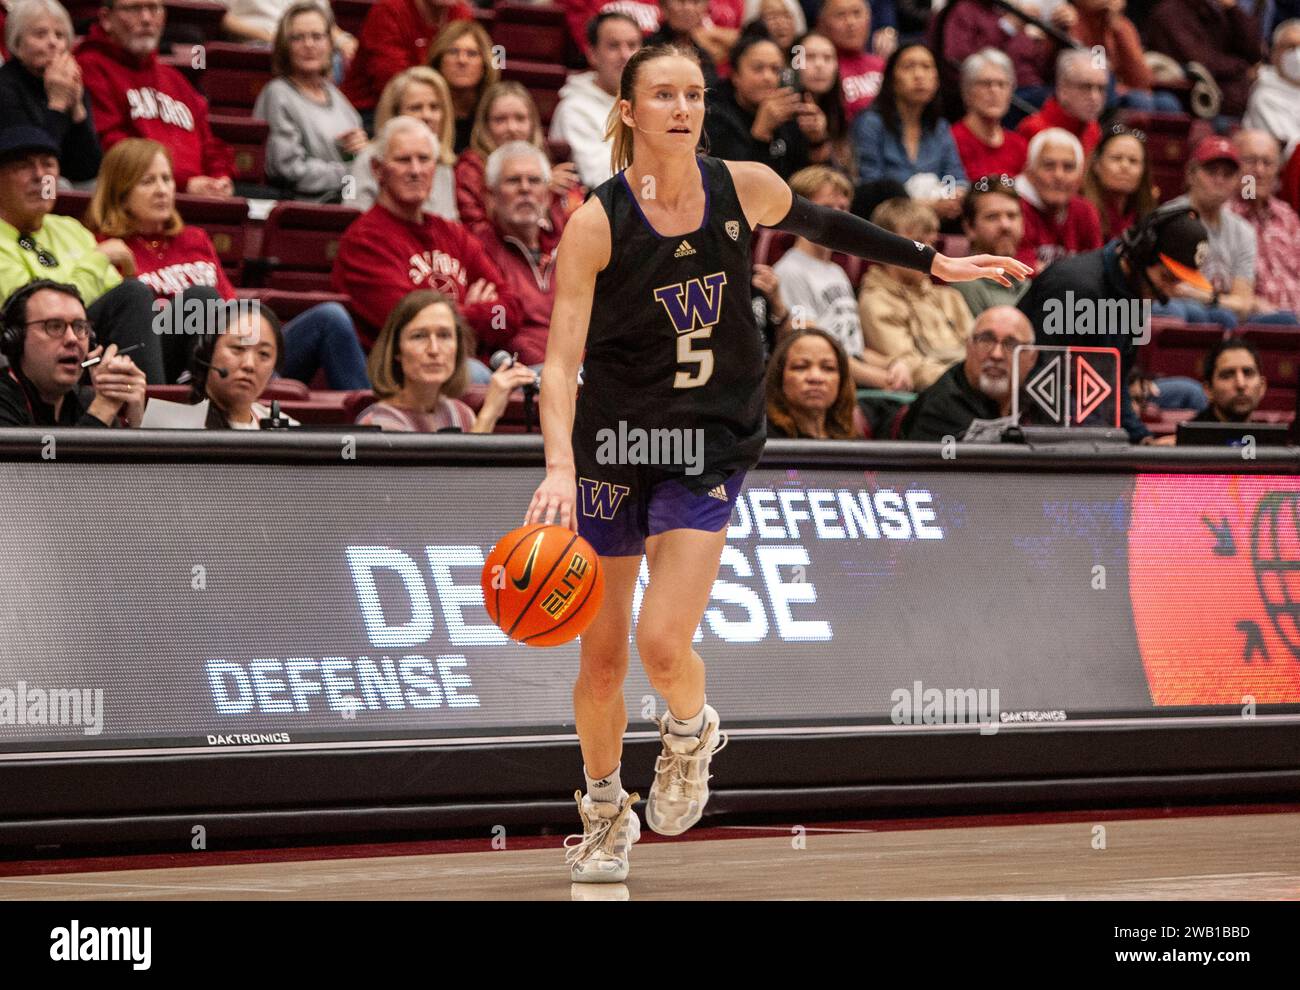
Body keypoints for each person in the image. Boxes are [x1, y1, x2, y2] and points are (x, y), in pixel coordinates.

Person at [524, 42, 1027, 883]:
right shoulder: (595, 221)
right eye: (663, 96)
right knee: (601, 659)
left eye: (693, 93)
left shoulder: (740, 184)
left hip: (709, 443)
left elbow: (826, 223)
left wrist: (934, 262)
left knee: (659, 645)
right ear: (628, 111)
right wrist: (558, 469)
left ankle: (689, 736)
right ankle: (606, 809)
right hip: (612, 447)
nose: (683, 109)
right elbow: (556, 360)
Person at [86, 138, 370, 388]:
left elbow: (231, 307)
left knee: (331, 318)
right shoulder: (108, 248)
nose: (163, 190)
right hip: (167, 366)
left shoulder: (193, 238)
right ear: (119, 192)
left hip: (231, 354)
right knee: (199, 298)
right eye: (148, 182)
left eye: (167, 179)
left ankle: (371, 433)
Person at [1019, 203, 1214, 442]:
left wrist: (1141, 440)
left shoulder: (1135, 293)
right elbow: (1041, 383)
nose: (1170, 291)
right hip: (1031, 430)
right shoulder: (1074, 288)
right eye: (1167, 277)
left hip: (1077, 428)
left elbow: (1112, 385)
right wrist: (1100, 445)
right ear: (1143, 253)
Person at [332, 117, 519, 357]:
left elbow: (508, 316)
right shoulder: (364, 241)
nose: (416, 170)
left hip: (469, 369)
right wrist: (476, 311)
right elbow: (412, 325)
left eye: (424, 159)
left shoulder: (454, 234)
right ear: (378, 169)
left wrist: (467, 316)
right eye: (403, 160)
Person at [0, 127, 173, 383]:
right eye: (23, 167)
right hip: (38, 359)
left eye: (48, 165)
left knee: (199, 301)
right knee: (133, 293)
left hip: (93, 351)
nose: (40, 176)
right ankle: (151, 416)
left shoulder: (71, 229)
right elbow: (35, 311)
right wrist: (98, 259)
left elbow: (114, 298)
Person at [74, 0, 235, 196]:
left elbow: (209, 144)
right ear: (106, 18)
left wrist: (220, 178)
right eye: (134, 9)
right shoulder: (89, 67)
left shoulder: (174, 78)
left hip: (197, 199)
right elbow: (112, 147)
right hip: (133, 201)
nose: (146, 19)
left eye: (154, 8)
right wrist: (181, 184)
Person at [772, 166, 911, 388]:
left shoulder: (836, 271)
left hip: (852, 377)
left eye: (843, 209)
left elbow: (853, 348)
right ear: (797, 213)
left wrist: (893, 364)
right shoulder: (790, 271)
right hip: (824, 383)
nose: (838, 217)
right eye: (827, 208)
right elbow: (813, 349)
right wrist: (882, 380)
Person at [1159, 135, 1298, 327]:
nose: (1219, 180)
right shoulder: (1170, 218)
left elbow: (1242, 301)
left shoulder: (1246, 228)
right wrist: (1221, 301)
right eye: (1211, 171)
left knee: (1284, 321)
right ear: (1191, 174)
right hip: (1180, 308)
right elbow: (1169, 288)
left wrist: (1210, 298)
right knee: (1207, 315)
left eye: (1227, 174)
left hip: (1232, 311)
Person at [356, 289, 535, 432]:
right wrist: (489, 414)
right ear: (396, 349)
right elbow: (448, 478)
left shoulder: (461, 414)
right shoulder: (377, 424)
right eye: (419, 336)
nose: (434, 349)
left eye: (444, 336)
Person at [254, 1, 366, 202]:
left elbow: (356, 155)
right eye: (298, 38)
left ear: (330, 44)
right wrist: (352, 172)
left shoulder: (337, 97)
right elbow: (288, 169)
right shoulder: (278, 94)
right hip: (304, 210)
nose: (309, 44)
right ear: (284, 45)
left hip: (345, 201)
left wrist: (361, 151)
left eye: (317, 36)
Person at [860, 197, 975, 390]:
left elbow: (977, 350)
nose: (930, 253)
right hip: (934, 398)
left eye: (932, 243)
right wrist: (971, 380)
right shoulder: (876, 301)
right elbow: (910, 367)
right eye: (919, 243)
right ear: (887, 246)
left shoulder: (950, 297)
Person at [469, 142, 565, 371]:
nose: (525, 189)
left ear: (547, 195)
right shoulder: (476, 247)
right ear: (490, 195)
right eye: (513, 181)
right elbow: (496, 327)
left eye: (534, 181)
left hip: (578, 368)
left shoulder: (567, 244)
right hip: (517, 372)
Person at [0, 278, 147, 427]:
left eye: (80, 327)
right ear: (16, 339)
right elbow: (47, 451)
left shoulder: (87, 400)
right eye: (54, 326)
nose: (72, 339)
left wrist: (136, 423)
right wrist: (104, 407)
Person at [851, 41, 966, 221]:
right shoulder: (871, 123)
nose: (919, 75)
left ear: (936, 80)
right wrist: (925, 205)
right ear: (892, 79)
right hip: (884, 220)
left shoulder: (940, 127)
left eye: (926, 67)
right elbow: (871, 186)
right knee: (889, 188)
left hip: (937, 218)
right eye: (909, 67)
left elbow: (955, 177)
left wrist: (954, 196)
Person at [455, 82, 581, 230]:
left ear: (532, 124)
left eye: (520, 118)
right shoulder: (470, 169)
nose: (512, 128)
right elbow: (475, 229)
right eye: (500, 120)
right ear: (485, 125)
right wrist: (539, 190)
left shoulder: (547, 168)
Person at [900, 305, 1037, 441]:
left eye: (1011, 344)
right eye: (986, 339)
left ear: (1032, 357)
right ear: (968, 346)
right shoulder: (940, 408)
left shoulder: (1042, 400)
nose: (997, 354)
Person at [0, 0, 101, 182]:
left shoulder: (69, 84)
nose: (53, 42)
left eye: (60, 35)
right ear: (17, 42)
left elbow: (88, 168)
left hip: (63, 183)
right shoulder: (5, 86)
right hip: (18, 187)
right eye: (40, 34)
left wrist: (77, 110)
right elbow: (34, 163)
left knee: (97, 187)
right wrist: (57, 104)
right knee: (52, 183)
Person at [704, 34, 830, 178]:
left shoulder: (790, 110)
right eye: (758, 68)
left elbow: (812, 181)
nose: (768, 77)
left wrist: (817, 140)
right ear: (735, 75)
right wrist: (761, 133)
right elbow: (734, 185)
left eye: (776, 69)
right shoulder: (715, 116)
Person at [550, 11, 643, 190]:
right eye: (614, 46)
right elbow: (602, 179)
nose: (625, 55)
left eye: (632, 45)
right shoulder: (574, 109)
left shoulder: (652, 103)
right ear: (592, 54)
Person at [347, 66, 458, 217]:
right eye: (416, 108)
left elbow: (449, 223)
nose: (427, 116)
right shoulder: (368, 159)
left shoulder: (444, 163)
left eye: (434, 107)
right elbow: (354, 219)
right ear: (394, 114)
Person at [340, 0, 472, 115]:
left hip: (436, 108)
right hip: (371, 111)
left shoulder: (461, 13)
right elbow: (395, 86)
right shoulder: (390, 11)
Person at [1145, 0, 1265, 118]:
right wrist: (1243, 67)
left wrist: (1233, 10)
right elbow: (1200, 61)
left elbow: (1253, 53)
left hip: (1232, 103)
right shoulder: (1169, 12)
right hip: (1194, 105)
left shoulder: (1215, 11)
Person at [188, 305, 301, 429]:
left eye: (264, 354)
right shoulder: (178, 426)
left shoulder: (287, 429)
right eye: (238, 348)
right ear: (207, 352)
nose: (249, 365)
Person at [1232, 128, 1300, 317]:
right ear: (1233, 165)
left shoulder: (1288, 217)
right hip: (1255, 324)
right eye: (1251, 161)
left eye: (1267, 163)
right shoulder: (1224, 217)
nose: (1259, 171)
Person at [1015, 128, 1103, 273]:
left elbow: (1096, 269)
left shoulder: (1085, 211)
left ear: (1080, 176)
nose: (1059, 175)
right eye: (1049, 166)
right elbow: (1020, 270)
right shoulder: (1014, 208)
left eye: (1068, 167)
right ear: (1029, 172)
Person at [1070, 0, 1180, 111]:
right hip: (1095, 91)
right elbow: (1093, 74)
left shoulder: (1121, 25)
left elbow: (1143, 82)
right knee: (1139, 101)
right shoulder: (1071, 22)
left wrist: (1117, 29)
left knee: (1167, 102)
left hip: (1125, 92)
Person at [955, 173, 1031, 316]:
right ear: (969, 228)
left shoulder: (1028, 284)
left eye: (1012, 215)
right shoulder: (965, 287)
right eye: (992, 217)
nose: (1005, 225)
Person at [764, 326, 861, 438]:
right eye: (801, 367)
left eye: (828, 368)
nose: (816, 378)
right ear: (779, 377)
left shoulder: (852, 442)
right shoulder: (762, 442)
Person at [950, 49, 1028, 183]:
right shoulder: (951, 141)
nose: (994, 91)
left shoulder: (1019, 145)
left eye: (1002, 84)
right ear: (967, 91)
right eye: (985, 84)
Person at [1016, 49, 1107, 161]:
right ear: (1062, 89)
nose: (1095, 97)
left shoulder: (1093, 130)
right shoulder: (1032, 130)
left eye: (1101, 88)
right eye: (1085, 87)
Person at [427, 18, 497, 154]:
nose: (462, 60)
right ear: (439, 61)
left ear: (485, 65)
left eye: (472, 54)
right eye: (453, 52)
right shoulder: (424, 111)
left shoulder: (494, 112)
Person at [793, 31, 856, 179]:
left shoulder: (838, 112)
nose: (820, 65)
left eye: (827, 58)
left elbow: (845, 177)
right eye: (809, 57)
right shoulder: (780, 111)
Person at [220, 0, 358, 66]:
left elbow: (323, 20)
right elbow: (218, 15)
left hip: (307, 39)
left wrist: (344, 40)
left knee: (347, 59)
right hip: (259, 43)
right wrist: (269, 36)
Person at [1083, 123, 1156, 243]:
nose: (1125, 166)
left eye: (1133, 161)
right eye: (1116, 158)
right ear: (1096, 165)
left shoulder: (1148, 218)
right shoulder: (1081, 213)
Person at [816, 0, 884, 121]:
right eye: (840, 15)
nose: (850, 23)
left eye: (857, 13)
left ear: (869, 19)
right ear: (823, 23)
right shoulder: (819, 69)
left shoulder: (882, 65)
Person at [1244, 20, 1300, 162]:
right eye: (1291, 47)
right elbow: (1291, 150)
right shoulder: (1265, 96)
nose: (1297, 55)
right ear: (1274, 53)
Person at [1184, 336, 1267, 427]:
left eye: (1248, 373)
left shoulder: (1271, 439)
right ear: (1208, 390)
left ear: (1262, 386)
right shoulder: (1185, 438)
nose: (1241, 384)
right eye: (1227, 376)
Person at [648, 0, 721, 88]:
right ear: (663, 6)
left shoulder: (705, 57)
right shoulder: (648, 50)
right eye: (680, 1)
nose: (688, 8)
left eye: (696, 2)